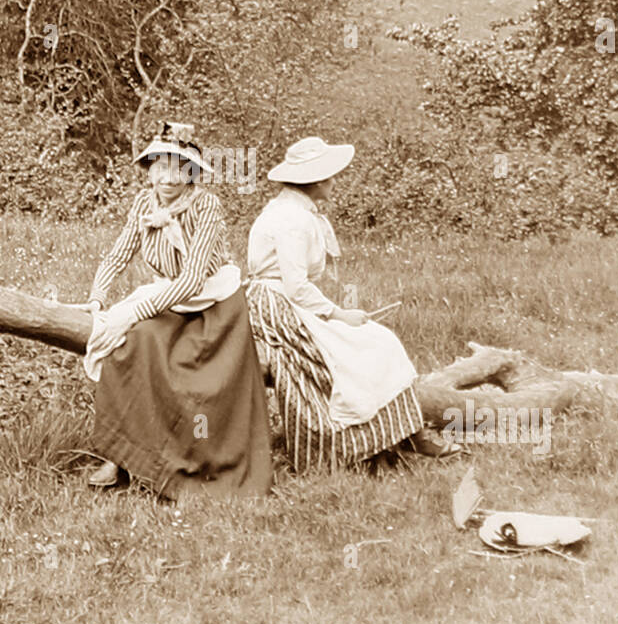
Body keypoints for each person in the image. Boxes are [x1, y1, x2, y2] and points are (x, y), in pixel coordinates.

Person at [77, 123, 271, 499]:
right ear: (148, 170)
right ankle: (120, 455)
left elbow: (195, 278)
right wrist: (98, 298)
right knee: (125, 345)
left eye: (179, 168)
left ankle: (186, 459)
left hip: (213, 303)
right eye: (159, 167)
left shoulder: (207, 205)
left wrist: (136, 310)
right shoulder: (142, 203)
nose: (167, 177)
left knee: (167, 357)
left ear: (192, 173)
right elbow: (119, 255)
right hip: (170, 294)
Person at [246, 136, 457, 472]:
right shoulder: (291, 218)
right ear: (315, 180)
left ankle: (405, 432)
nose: (333, 182)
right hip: (276, 306)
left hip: (284, 299)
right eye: (329, 176)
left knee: (376, 340)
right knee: (366, 344)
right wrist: (339, 314)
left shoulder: (295, 211)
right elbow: (296, 285)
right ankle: (376, 438)